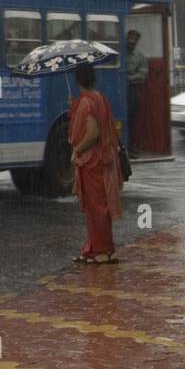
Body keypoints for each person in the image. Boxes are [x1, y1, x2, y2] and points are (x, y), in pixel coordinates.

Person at [69, 62, 123, 264]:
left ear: (77, 80)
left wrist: (77, 149)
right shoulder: (98, 97)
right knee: (101, 206)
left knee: (96, 208)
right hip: (103, 158)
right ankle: (98, 248)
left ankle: (101, 250)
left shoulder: (86, 102)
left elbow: (92, 133)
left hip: (92, 160)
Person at [125, 30, 147, 155]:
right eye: (130, 38)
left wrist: (127, 78)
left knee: (130, 120)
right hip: (120, 89)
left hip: (131, 91)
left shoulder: (140, 56)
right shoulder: (120, 53)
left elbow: (142, 75)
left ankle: (130, 146)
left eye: (134, 40)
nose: (132, 41)